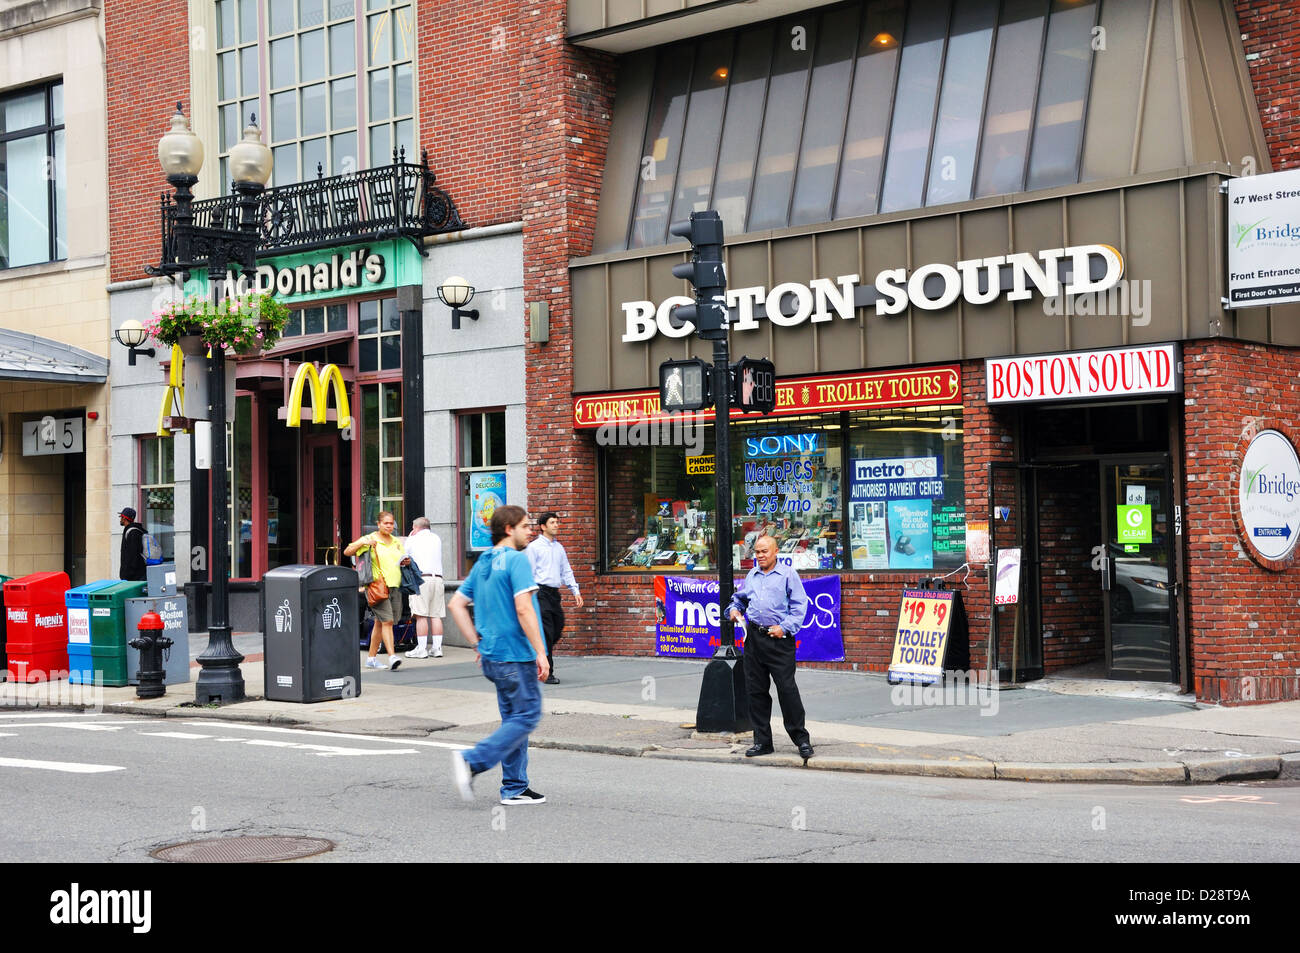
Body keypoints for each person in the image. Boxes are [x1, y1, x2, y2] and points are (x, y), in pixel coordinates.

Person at [447, 505, 550, 805]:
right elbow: (524, 609)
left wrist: (476, 644)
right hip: (515, 655)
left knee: (514, 720)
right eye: (525, 526)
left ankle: (515, 788)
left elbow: (456, 605)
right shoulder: (517, 560)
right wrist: (541, 652)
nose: (531, 531)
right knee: (527, 715)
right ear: (508, 529)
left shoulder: (483, 563)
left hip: (493, 656)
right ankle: (472, 761)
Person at [728, 533, 814, 761]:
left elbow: (799, 606)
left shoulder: (788, 574)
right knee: (756, 692)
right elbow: (740, 599)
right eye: (757, 552)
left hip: (779, 641)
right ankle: (762, 742)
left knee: (787, 690)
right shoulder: (752, 575)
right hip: (754, 639)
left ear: (776, 552)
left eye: (764, 551)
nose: (760, 555)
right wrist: (734, 610)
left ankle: (801, 740)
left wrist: (784, 628)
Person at [526, 511, 583, 684]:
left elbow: (566, 570)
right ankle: (547, 672)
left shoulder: (559, 548)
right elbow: (528, 572)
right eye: (552, 522)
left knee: (558, 627)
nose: (556, 525)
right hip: (539, 592)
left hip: (554, 594)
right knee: (547, 632)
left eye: (557, 522)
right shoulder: (534, 547)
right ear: (543, 526)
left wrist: (575, 591)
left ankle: (536, 656)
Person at [343, 511, 404, 671]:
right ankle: (392, 656)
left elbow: (401, 560)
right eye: (386, 523)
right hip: (377, 587)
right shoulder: (370, 538)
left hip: (394, 586)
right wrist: (364, 543)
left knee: (380, 622)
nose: (389, 526)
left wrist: (406, 561)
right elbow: (347, 551)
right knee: (387, 622)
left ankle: (371, 659)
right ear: (378, 524)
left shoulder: (396, 541)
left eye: (391, 523)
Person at [403, 516, 445, 659]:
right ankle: (437, 648)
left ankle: (421, 649)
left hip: (421, 579)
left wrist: (410, 537)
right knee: (436, 615)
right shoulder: (436, 538)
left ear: (416, 528)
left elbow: (403, 555)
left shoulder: (412, 539)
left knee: (421, 616)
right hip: (437, 579)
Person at [118, 507, 147, 581]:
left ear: (124, 518)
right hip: (133, 575)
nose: (120, 519)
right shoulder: (130, 530)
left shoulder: (133, 532)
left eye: (121, 517)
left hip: (135, 577)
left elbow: (133, 555)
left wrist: (128, 574)